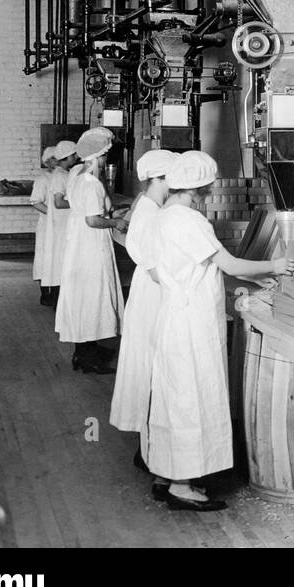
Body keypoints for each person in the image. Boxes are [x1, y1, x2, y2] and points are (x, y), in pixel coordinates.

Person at [142, 150, 293, 511]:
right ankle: (182, 486)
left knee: (173, 399)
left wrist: (260, 274)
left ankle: (167, 475)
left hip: (172, 318)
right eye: (208, 186)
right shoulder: (190, 222)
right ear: (201, 186)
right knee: (192, 400)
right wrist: (277, 264)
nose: (210, 191)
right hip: (191, 324)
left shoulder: (164, 218)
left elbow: (177, 268)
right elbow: (227, 264)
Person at [109, 148, 177, 480]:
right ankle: (151, 451)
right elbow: (156, 269)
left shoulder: (149, 208)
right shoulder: (150, 214)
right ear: (161, 178)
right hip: (154, 298)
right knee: (154, 370)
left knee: (150, 370)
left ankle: (147, 448)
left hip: (149, 296)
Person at [55, 128, 126, 374]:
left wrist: (110, 213)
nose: (107, 160)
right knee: (93, 295)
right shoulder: (92, 183)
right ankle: (88, 357)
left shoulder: (76, 173)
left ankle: (85, 350)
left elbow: (86, 210)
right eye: (105, 155)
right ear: (98, 156)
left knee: (82, 297)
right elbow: (93, 220)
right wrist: (115, 222)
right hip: (91, 244)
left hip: (78, 243)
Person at [39, 140, 79, 308]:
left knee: (61, 261)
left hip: (63, 224)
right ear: (68, 157)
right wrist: (79, 203)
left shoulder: (64, 173)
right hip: (61, 226)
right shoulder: (60, 176)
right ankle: (57, 300)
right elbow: (58, 202)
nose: (76, 158)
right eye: (74, 155)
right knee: (60, 261)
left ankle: (60, 299)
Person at [29, 146, 58, 305]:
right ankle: (45, 294)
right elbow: (36, 202)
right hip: (47, 224)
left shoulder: (64, 176)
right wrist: (53, 214)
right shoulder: (43, 179)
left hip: (60, 225)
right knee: (44, 258)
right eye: (53, 159)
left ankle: (55, 291)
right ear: (47, 162)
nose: (57, 161)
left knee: (57, 258)